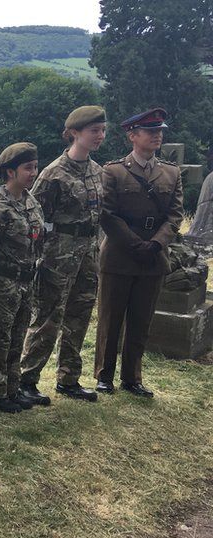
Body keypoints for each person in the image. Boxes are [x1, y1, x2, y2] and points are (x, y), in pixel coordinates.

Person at [19, 106, 107, 404]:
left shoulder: (97, 171)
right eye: (94, 131)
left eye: (102, 130)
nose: (100, 136)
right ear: (74, 133)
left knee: (80, 315)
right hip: (58, 254)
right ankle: (27, 379)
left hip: (88, 253)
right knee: (48, 317)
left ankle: (68, 377)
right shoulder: (52, 174)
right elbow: (37, 218)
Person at [95, 108, 183, 397]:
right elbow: (107, 214)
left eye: (160, 131)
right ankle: (104, 376)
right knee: (111, 319)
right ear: (133, 135)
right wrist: (136, 245)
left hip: (153, 257)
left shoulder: (171, 172)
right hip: (120, 254)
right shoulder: (114, 171)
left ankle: (132, 378)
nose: (157, 135)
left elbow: (175, 215)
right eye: (150, 131)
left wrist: (156, 244)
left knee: (140, 321)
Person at [0, 143, 44, 413]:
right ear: (10, 172)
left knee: (17, 336)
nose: (34, 173)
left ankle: (12, 388)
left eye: (35, 167)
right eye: (28, 168)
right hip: (1, 282)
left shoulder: (31, 201)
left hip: (25, 281)